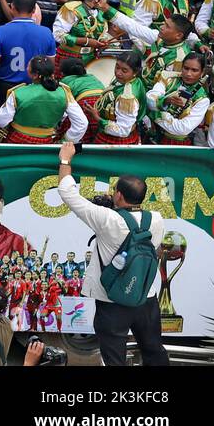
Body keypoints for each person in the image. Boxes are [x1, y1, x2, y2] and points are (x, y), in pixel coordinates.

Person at [55, 142, 167, 366]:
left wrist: (65, 160)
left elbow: (67, 192)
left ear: (118, 195)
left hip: (112, 300)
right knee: (153, 348)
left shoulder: (107, 219)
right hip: (146, 297)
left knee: (114, 357)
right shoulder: (157, 219)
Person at [0, 0, 56, 119]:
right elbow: (50, 65)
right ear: (34, 10)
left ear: (12, 7)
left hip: (6, 89)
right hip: (36, 88)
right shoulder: (46, 33)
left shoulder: (0, 32)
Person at [0, 55, 87, 144]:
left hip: (18, 140)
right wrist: (66, 141)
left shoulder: (18, 93)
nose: (26, 68)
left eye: (28, 66)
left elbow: (1, 121)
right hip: (46, 142)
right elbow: (82, 123)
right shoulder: (64, 93)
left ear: (34, 75)